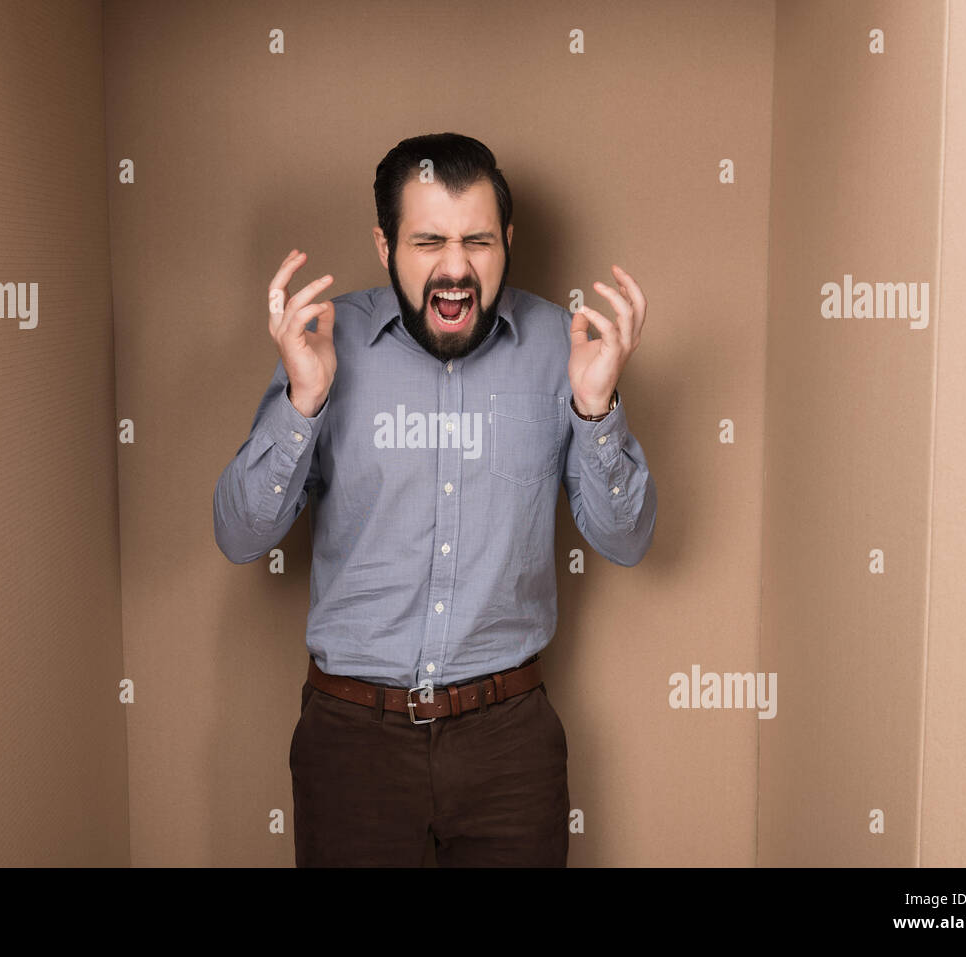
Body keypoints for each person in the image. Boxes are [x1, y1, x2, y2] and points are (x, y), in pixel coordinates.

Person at [213, 132, 657, 866]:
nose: (456, 268)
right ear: (385, 245)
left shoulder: (560, 344)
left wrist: (596, 406)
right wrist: (303, 400)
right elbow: (240, 535)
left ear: (507, 239)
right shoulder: (327, 340)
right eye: (429, 241)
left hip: (508, 742)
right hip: (352, 741)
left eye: (478, 241)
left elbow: (627, 540)